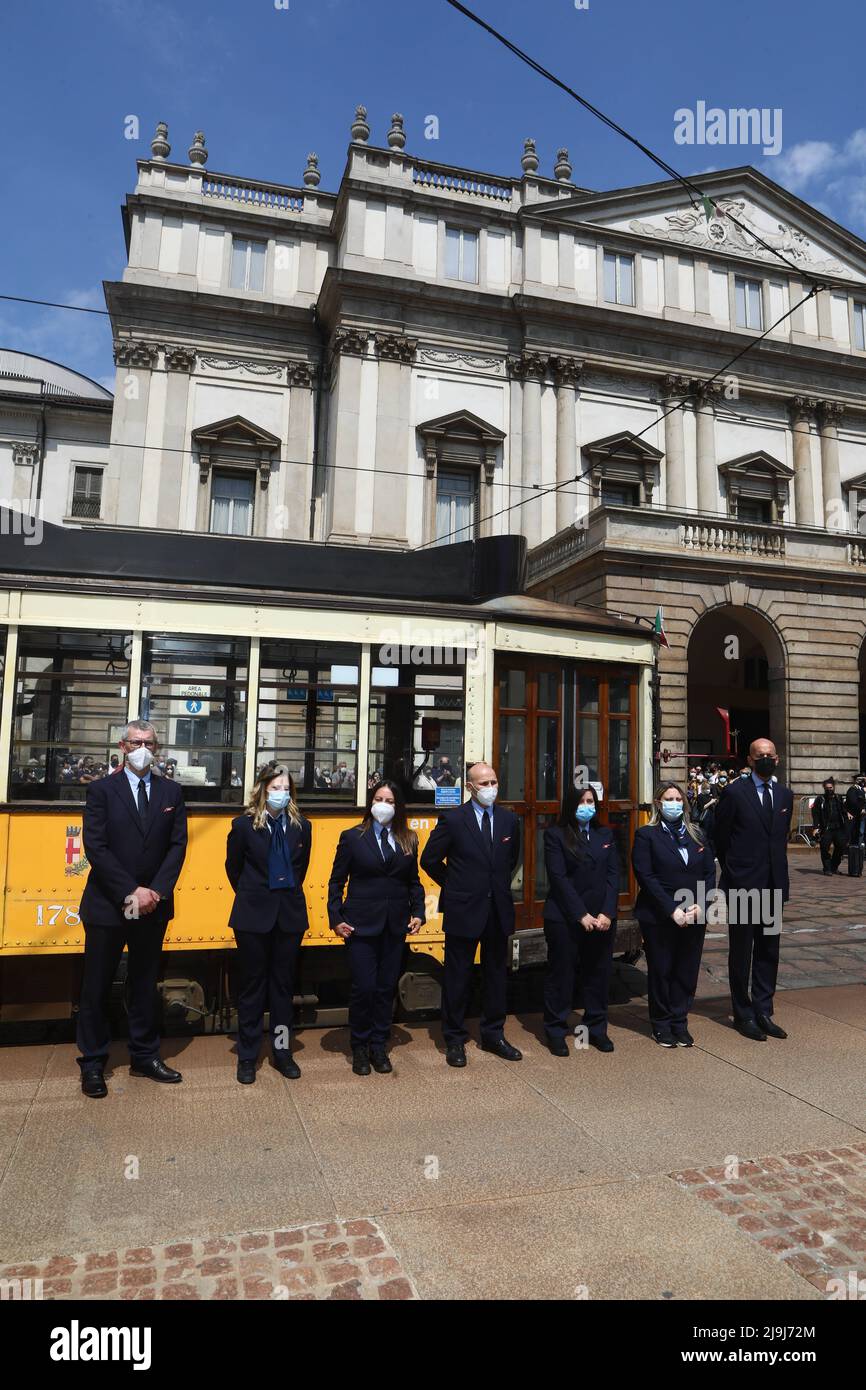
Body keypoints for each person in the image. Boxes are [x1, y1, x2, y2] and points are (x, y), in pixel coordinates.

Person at [76, 720, 188, 1099]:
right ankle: (93, 1063)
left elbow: (177, 846)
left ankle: (144, 1056)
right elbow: (96, 846)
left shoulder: (172, 791)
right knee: (97, 985)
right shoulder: (101, 791)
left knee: (144, 984)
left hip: (153, 905)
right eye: (136, 742)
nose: (143, 749)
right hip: (109, 905)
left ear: (157, 749)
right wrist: (130, 890)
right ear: (123, 747)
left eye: (150, 743)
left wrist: (154, 890)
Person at [421, 761, 521, 1067]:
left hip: (497, 910)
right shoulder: (453, 819)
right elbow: (430, 860)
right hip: (463, 908)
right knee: (458, 976)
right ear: (469, 787)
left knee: (495, 976)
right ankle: (454, 1038)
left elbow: (511, 859)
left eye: (493, 782)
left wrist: (497, 886)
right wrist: (455, 885)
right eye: (484, 783)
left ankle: (494, 1034)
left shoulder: (508, 820)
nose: (490, 788)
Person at [328, 781, 424, 1075]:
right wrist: (335, 917)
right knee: (364, 988)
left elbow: (413, 882)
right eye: (379, 798)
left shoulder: (408, 838)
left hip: (395, 926)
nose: (383, 804)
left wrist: (418, 912)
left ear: (398, 807)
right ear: (371, 803)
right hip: (360, 925)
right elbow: (336, 881)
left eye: (390, 800)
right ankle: (359, 1046)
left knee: (385, 989)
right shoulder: (353, 837)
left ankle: (379, 1045)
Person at [225, 762, 312, 1083]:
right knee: (251, 988)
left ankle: (281, 1052)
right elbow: (234, 868)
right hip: (252, 916)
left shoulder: (302, 826)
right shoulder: (243, 826)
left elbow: (300, 870)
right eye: (275, 788)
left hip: (289, 915)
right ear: (262, 790)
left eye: (286, 788)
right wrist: (256, 895)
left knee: (282, 988)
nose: (281, 793)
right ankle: (247, 1057)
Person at [714, 738, 795, 1042]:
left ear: (778, 759)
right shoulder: (734, 793)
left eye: (770, 755)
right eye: (759, 755)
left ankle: (764, 1009)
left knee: (769, 950)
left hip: (773, 885)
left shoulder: (785, 794)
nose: (765, 759)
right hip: (743, 886)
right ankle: (743, 1012)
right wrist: (734, 871)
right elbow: (720, 838)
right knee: (741, 951)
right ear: (749, 760)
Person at [632, 783, 715, 1047]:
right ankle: (662, 1024)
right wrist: (671, 909)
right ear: (658, 803)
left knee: (687, 970)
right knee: (662, 969)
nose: (675, 803)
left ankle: (680, 1021)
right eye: (669, 798)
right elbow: (646, 876)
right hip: (660, 915)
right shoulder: (647, 835)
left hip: (694, 913)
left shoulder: (698, 834)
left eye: (679, 799)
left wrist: (702, 904)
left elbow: (709, 874)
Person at [542, 785, 619, 1056]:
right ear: (571, 805)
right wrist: (580, 914)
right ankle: (555, 1030)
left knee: (598, 974)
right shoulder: (555, 835)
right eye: (582, 801)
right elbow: (558, 878)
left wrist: (607, 912)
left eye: (591, 801)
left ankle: (596, 1029)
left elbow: (613, 876)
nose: (587, 805)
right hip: (565, 918)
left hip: (602, 918)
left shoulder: (605, 834)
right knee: (561, 975)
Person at [811, 777, 849, 875]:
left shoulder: (838, 798)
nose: (829, 790)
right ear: (824, 788)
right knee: (824, 848)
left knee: (841, 847)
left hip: (838, 827)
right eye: (827, 788)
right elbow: (815, 814)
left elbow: (843, 810)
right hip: (826, 828)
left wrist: (847, 814)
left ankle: (834, 866)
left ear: (834, 787)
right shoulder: (820, 799)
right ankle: (827, 868)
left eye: (831, 788)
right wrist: (815, 827)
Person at [845, 775, 866, 847]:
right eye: (858, 780)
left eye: (862, 779)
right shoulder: (852, 789)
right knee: (852, 833)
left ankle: (856, 851)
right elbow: (853, 802)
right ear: (855, 781)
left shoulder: (861, 790)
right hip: (853, 815)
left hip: (858, 816)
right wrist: (861, 810)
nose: (861, 781)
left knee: (857, 833)